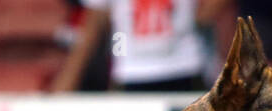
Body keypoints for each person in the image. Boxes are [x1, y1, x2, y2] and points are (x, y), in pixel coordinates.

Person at [51, 0, 232, 93]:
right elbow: (95, 21)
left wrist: (194, 20)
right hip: (130, 71)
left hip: (186, 67)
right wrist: (67, 79)